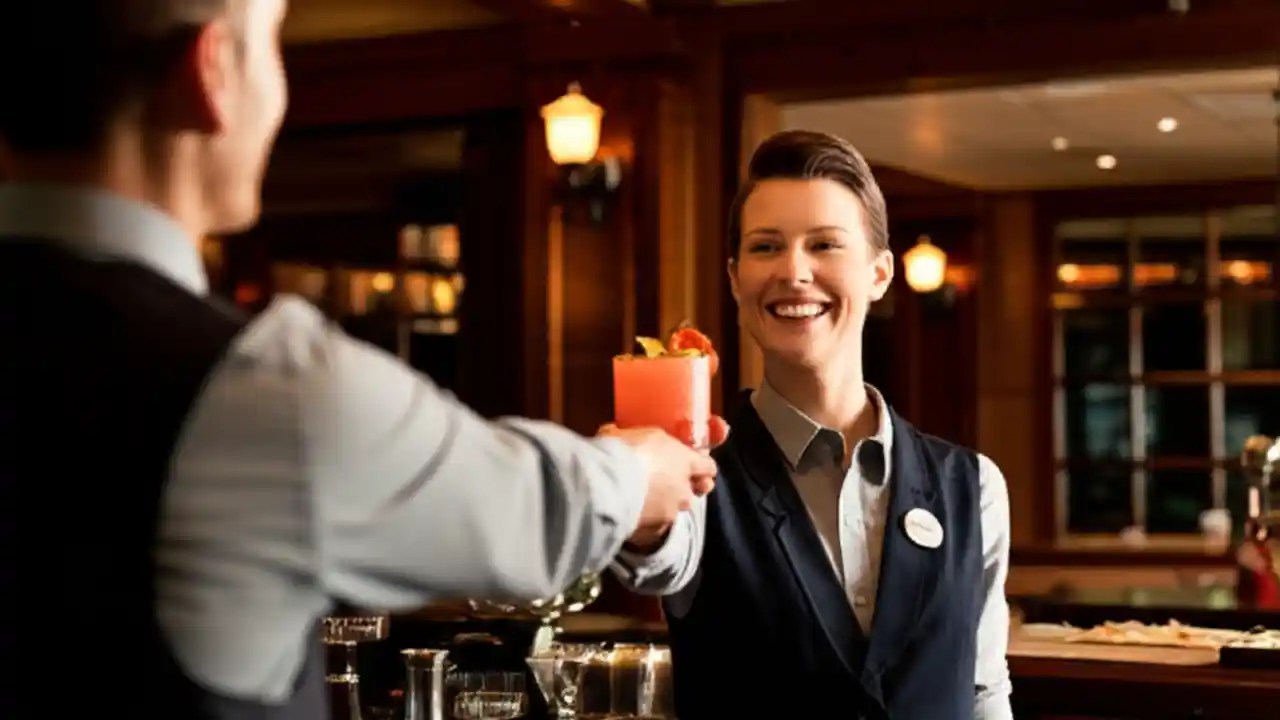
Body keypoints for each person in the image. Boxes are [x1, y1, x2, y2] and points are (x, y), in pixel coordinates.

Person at [0, 2, 722, 718]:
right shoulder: (260, 389)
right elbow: (528, 508)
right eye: (273, 47)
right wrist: (640, 470)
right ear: (212, 71)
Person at [627, 130, 1014, 719]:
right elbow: (651, 559)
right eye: (765, 248)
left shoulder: (975, 486)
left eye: (825, 244)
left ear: (880, 274)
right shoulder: (698, 475)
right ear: (735, 279)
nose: (794, 271)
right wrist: (628, 492)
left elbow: (984, 691)